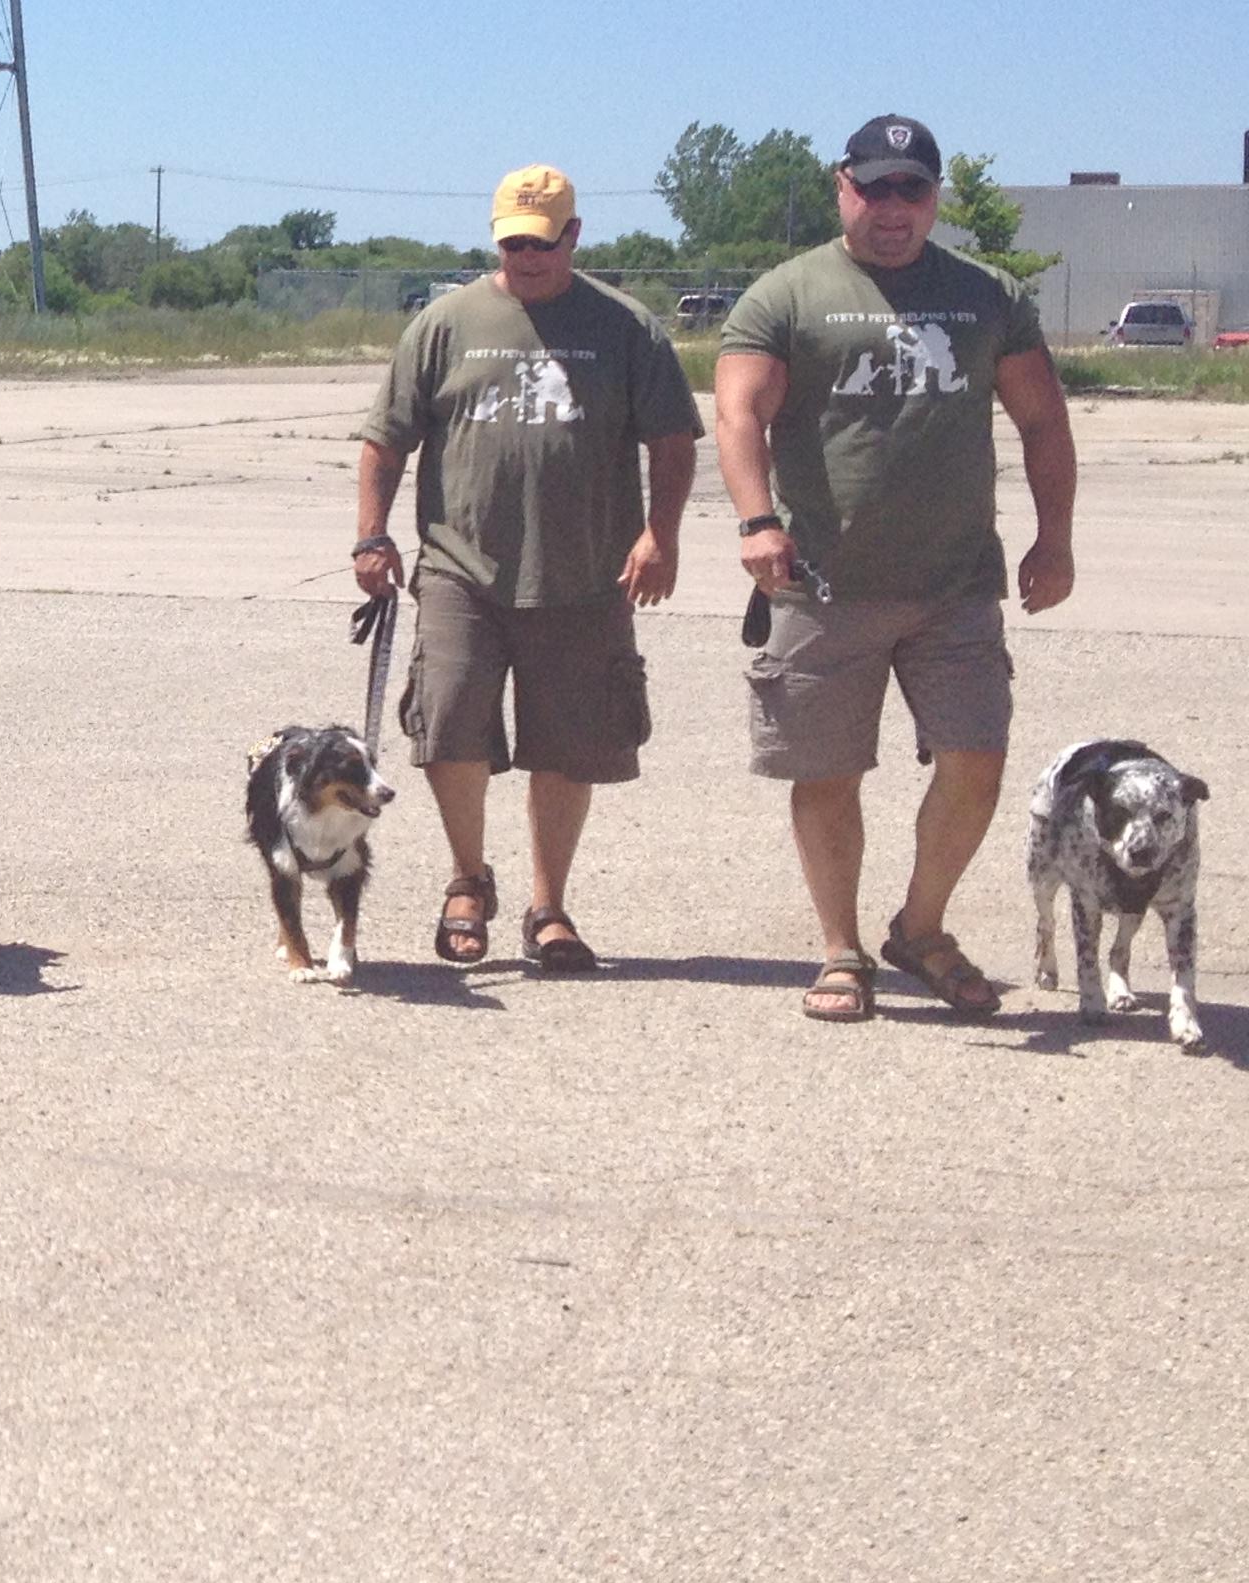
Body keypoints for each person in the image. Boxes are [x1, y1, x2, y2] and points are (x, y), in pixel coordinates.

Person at [712, 113, 1077, 1023]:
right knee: (828, 770)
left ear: (934, 197)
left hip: (955, 584)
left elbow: (1043, 421)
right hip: (823, 583)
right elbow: (738, 415)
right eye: (873, 186)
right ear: (844, 186)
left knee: (977, 759)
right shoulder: (786, 294)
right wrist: (756, 520)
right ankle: (841, 950)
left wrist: (1055, 536)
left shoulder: (988, 296)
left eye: (911, 189)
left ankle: (919, 927)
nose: (892, 207)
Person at [352, 166, 702, 971]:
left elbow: (673, 440)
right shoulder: (446, 323)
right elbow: (387, 438)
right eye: (511, 242)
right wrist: (371, 538)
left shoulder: (624, 328)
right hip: (460, 566)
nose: (525, 257)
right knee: (446, 721)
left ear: (573, 236)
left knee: (568, 744)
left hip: (584, 571)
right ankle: (468, 879)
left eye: (540, 244)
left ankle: (550, 908)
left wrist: (661, 536)